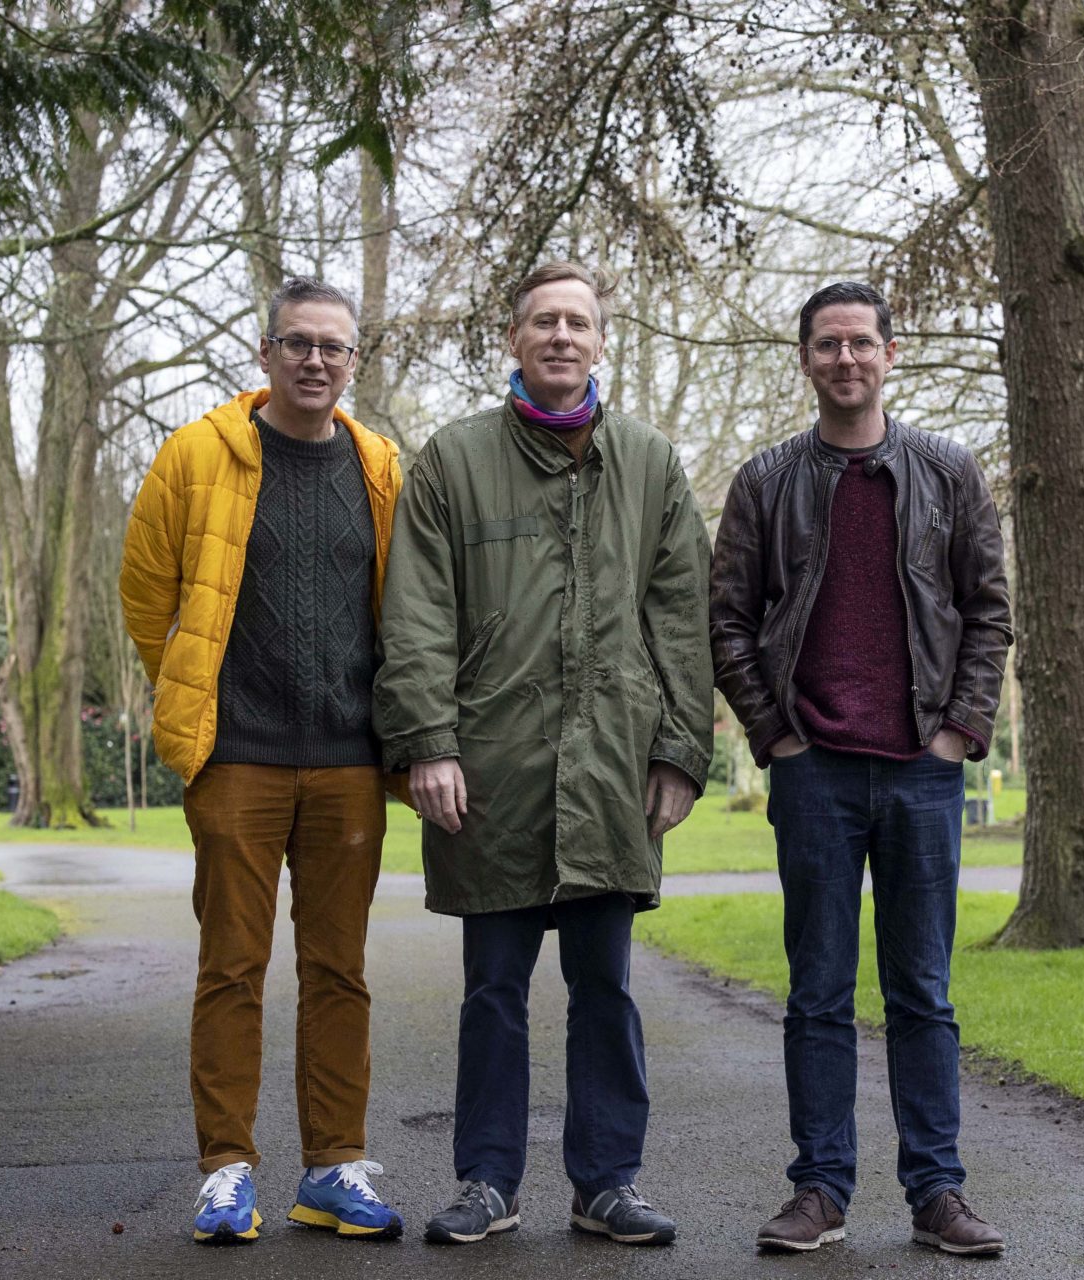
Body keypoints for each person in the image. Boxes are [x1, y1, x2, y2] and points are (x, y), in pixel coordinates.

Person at [373, 260, 713, 1249]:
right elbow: (417, 614)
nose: (560, 335)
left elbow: (682, 613)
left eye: (578, 321)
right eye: (542, 321)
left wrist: (681, 750)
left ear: (601, 340)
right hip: (492, 771)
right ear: (513, 340)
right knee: (492, 990)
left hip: (614, 770)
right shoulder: (452, 460)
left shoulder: (650, 461)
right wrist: (428, 741)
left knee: (606, 987)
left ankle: (607, 1182)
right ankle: (486, 1179)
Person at [708, 281, 1012, 1255]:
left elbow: (988, 611)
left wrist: (959, 731)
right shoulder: (765, 482)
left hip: (923, 770)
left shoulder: (949, 471)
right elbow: (728, 622)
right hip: (816, 773)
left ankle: (938, 1191)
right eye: (827, 345)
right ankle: (820, 1188)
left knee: (923, 989)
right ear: (805, 359)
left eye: (860, 343)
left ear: (891, 351)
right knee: (820, 990)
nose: (845, 359)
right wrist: (777, 736)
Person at [119, 277, 406, 1244]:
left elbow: (401, 605)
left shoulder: (380, 467)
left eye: (334, 347)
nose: (315, 360)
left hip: (348, 767)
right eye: (297, 344)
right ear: (265, 353)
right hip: (235, 759)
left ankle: (331, 1167)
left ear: (355, 361)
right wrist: (198, 693)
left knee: (340, 972)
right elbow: (147, 595)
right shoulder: (197, 455)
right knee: (230, 969)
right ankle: (225, 1172)